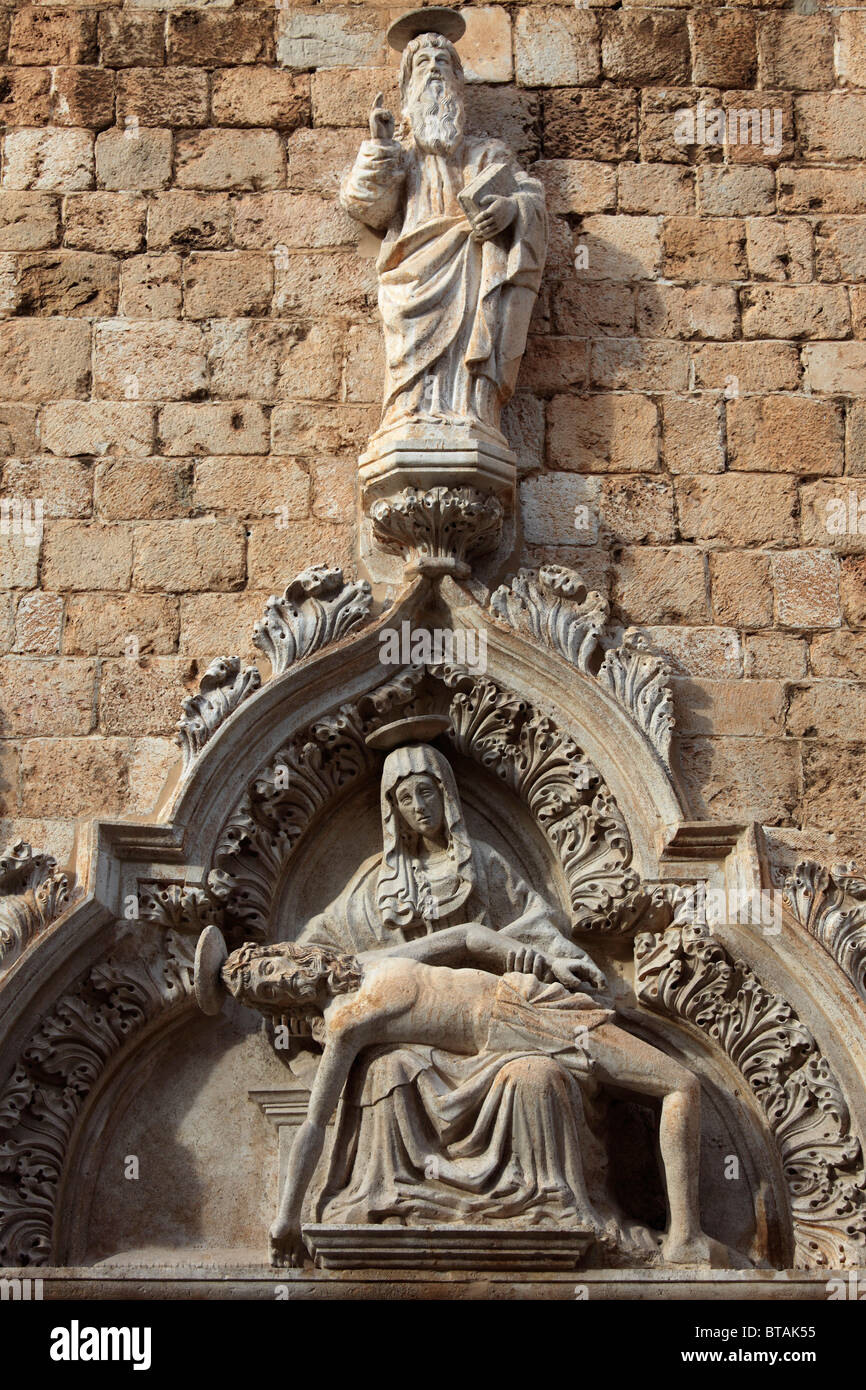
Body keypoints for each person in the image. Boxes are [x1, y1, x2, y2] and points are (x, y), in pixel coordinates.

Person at [220, 932, 725, 1271]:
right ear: (280, 1007)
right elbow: (315, 1121)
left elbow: (463, 935)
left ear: (290, 953)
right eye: (269, 991)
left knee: (679, 1083)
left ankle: (684, 1231)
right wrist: (286, 1216)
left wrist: (530, 955)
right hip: (517, 1034)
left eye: (271, 966)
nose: (280, 980)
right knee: (679, 1083)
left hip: (525, 993)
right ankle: (684, 1237)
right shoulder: (344, 1026)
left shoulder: (370, 963)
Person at [340, 30, 547, 448]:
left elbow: (529, 196)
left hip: (470, 270)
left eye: (443, 63)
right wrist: (379, 146)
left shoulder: (486, 153)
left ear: (458, 82)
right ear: (407, 88)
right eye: (422, 64)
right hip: (412, 274)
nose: (434, 70)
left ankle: (473, 412)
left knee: (474, 326)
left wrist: (510, 211)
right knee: (411, 357)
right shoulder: (398, 153)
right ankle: (408, 414)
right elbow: (366, 205)